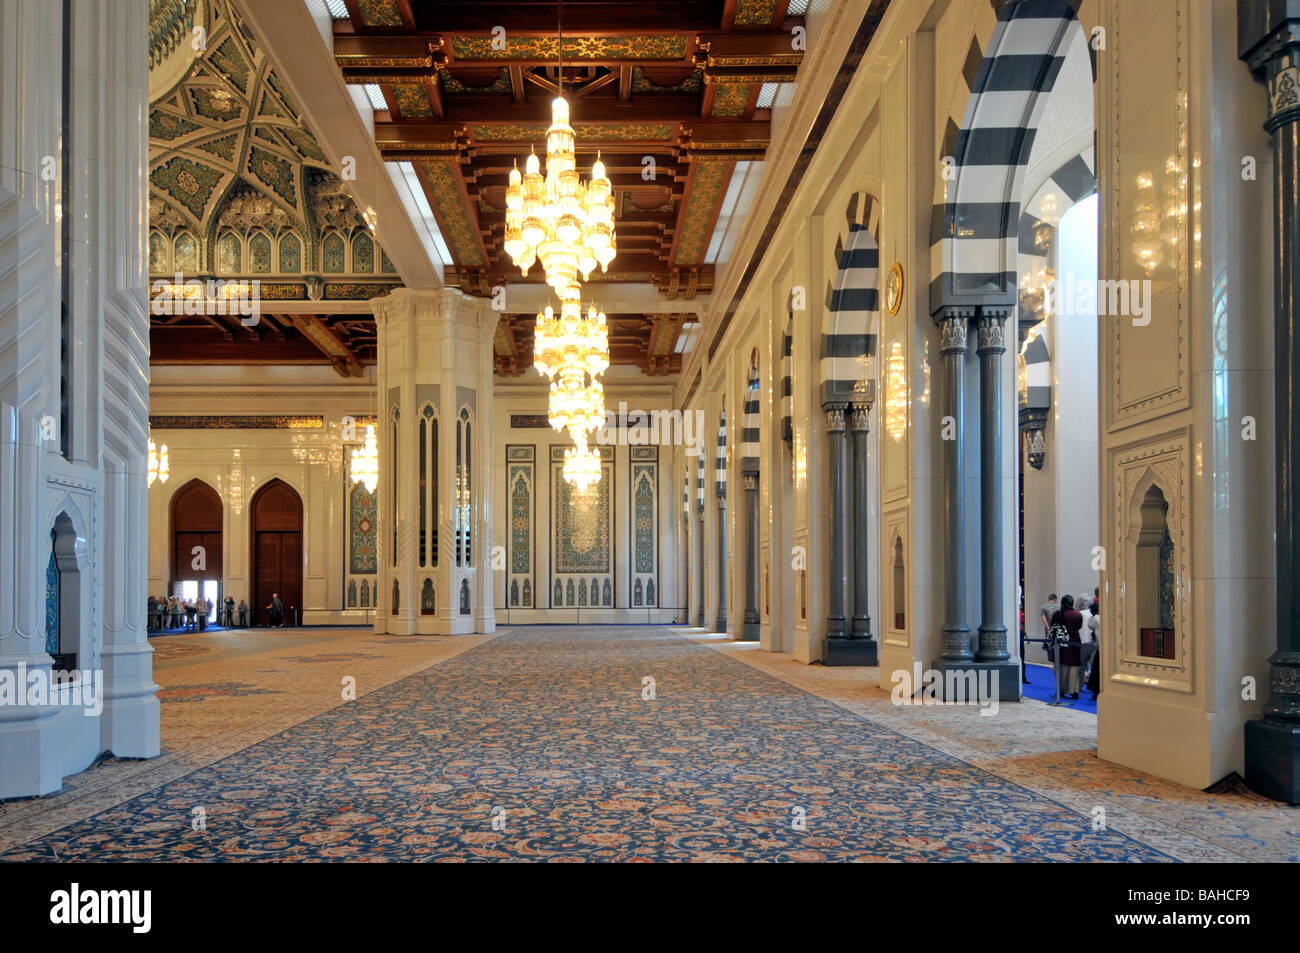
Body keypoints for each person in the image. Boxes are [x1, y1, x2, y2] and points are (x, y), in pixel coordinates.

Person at [1050, 594, 1085, 699]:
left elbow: (1053, 626)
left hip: (1062, 643)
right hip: (1075, 643)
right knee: (1074, 667)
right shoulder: (1078, 614)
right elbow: (1079, 626)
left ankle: (1061, 690)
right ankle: (1074, 690)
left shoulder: (1058, 614)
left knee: (1061, 667)